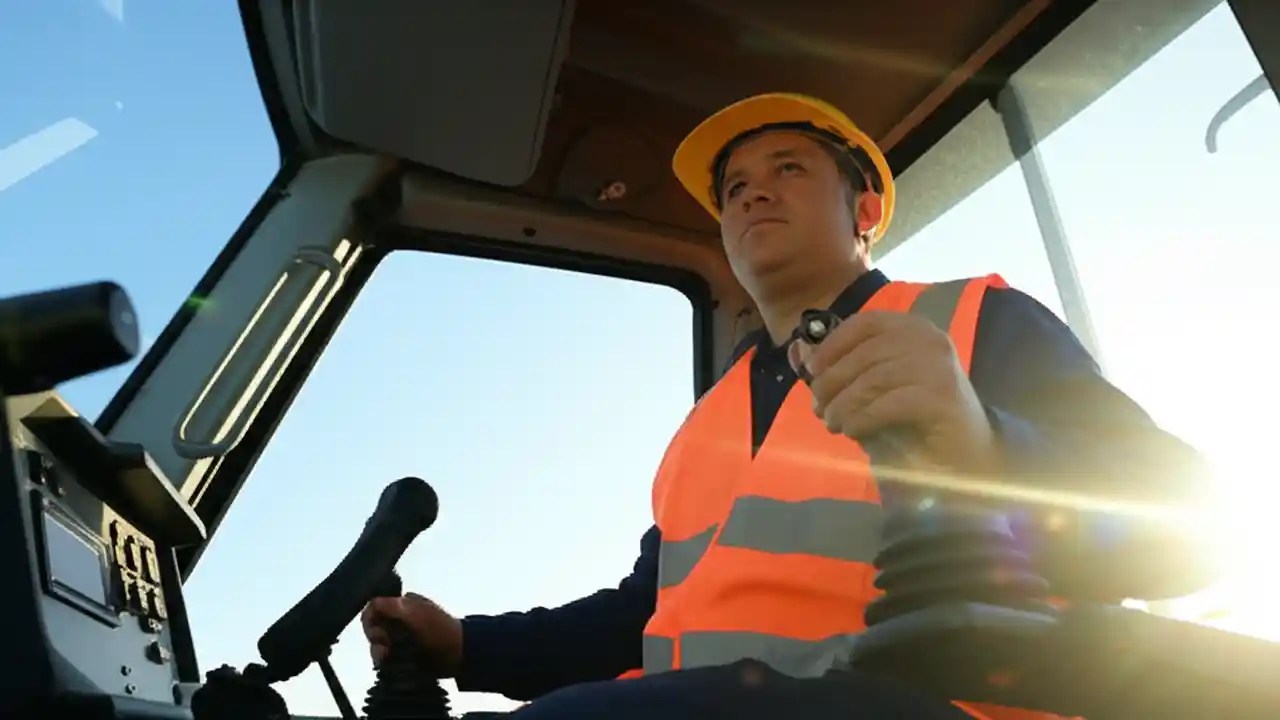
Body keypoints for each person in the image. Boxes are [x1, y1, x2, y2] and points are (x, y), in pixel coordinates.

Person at [361, 93, 1217, 719]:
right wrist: (468, 644)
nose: (751, 193)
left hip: (937, 699)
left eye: (789, 169)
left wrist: (986, 447)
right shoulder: (705, 424)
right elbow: (646, 616)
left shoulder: (970, 321)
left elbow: (1181, 532)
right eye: (734, 186)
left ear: (866, 212)